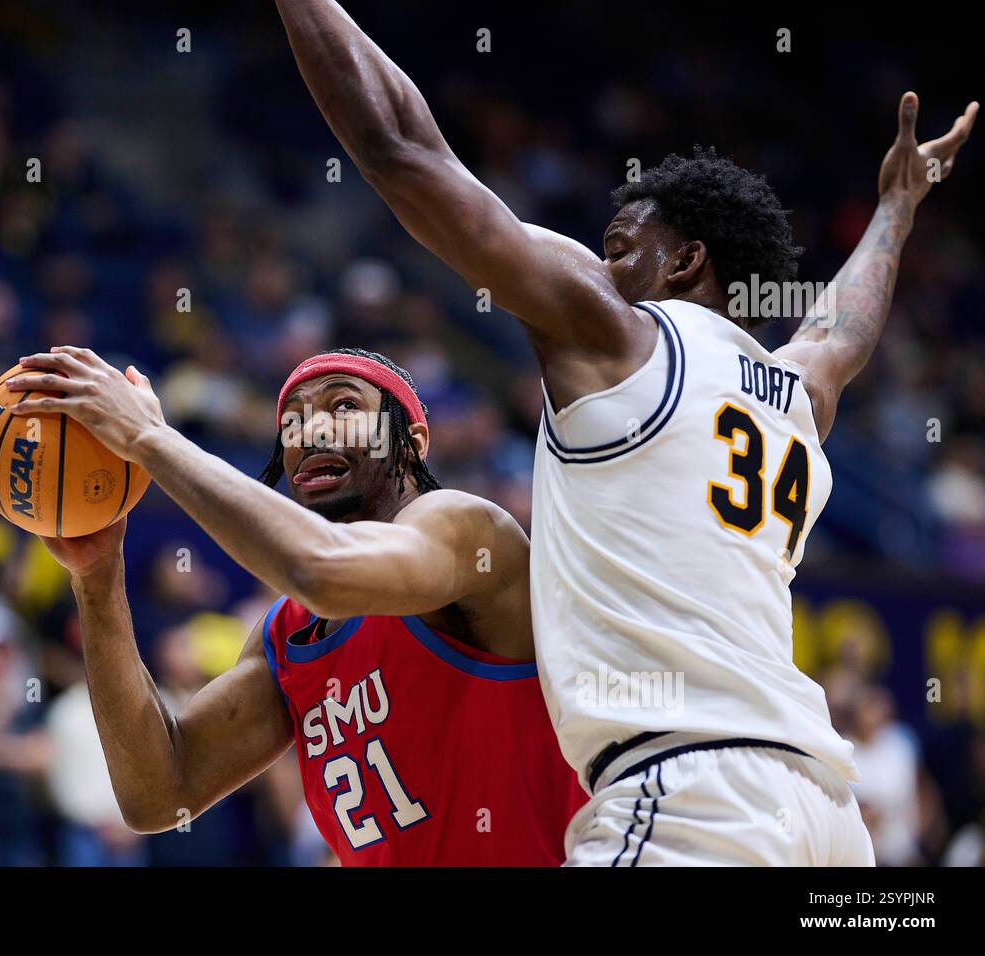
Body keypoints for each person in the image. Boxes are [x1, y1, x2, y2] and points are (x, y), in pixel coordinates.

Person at [273, 0, 977, 864]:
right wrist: (899, 209)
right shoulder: (793, 392)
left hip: (689, 796)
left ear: (683, 263)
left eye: (618, 246)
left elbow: (403, 151)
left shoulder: (619, 333)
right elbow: (844, 332)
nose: (598, 268)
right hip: (826, 814)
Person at [7, 347, 585, 864]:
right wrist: (97, 576)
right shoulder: (288, 634)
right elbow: (159, 794)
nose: (312, 429)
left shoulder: (467, 529)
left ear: (413, 439)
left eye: (343, 406)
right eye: (293, 420)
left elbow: (321, 569)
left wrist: (151, 440)